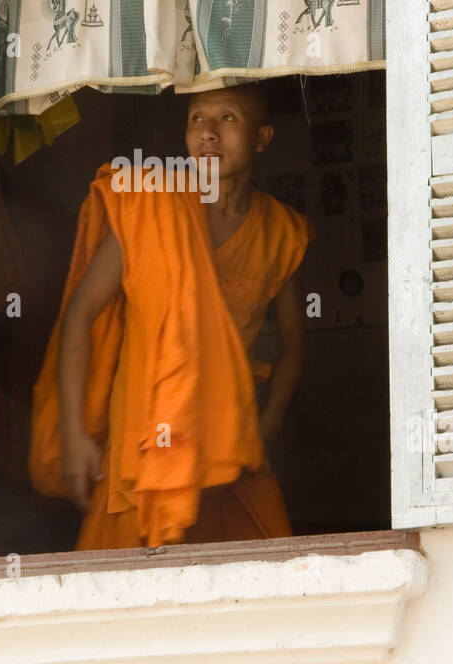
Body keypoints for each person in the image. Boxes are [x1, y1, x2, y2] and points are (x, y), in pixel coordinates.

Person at [29, 84, 314, 549]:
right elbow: (80, 315)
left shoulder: (281, 231)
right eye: (196, 119)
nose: (208, 134)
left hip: (228, 445)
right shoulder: (150, 205)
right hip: (144, 448)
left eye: (228, 119)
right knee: (126, 598)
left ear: (261, 138)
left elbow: (293, 348)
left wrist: (268, 424)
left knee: (244, 591)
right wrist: (77, 433)